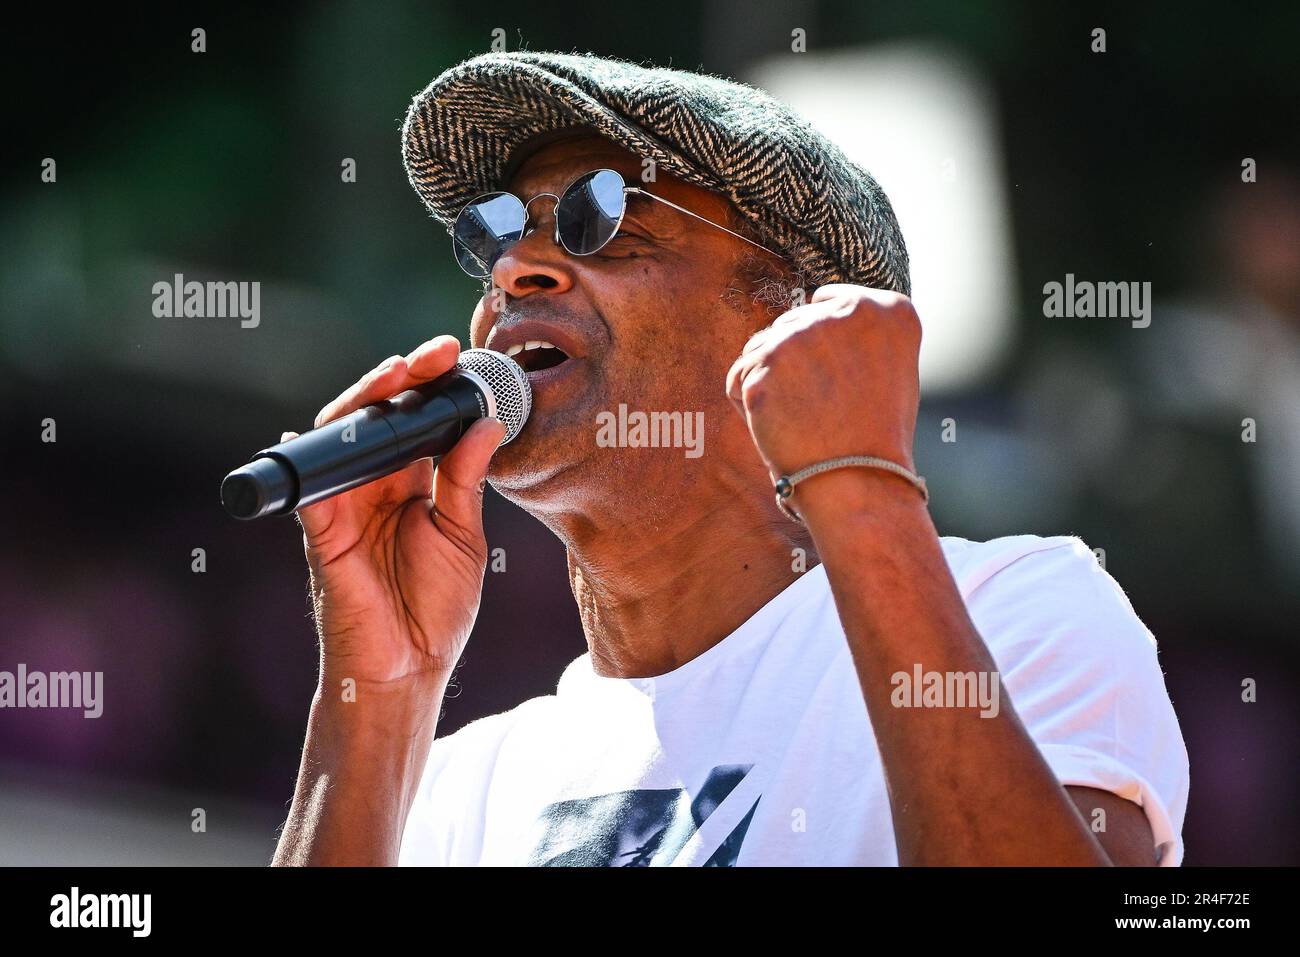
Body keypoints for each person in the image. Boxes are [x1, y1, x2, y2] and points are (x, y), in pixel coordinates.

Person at [272, 52, 1188, 867]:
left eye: (601, 215)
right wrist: (379, 693)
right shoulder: (464, 788)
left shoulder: (1022, 613)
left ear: (798, 322)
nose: (518, 270)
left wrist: (859, 488)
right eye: (499, 233)